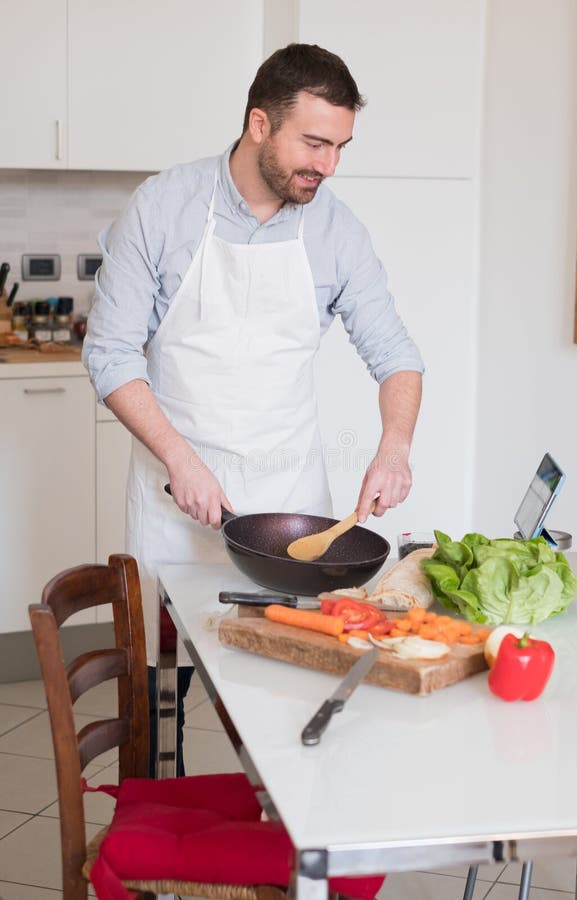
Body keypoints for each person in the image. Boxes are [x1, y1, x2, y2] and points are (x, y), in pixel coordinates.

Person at [83, 43, 424, 775]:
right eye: (315, 142)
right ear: (259, 124)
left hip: (288, 512)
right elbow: (109, 355)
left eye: (340, 147)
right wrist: (180, 459)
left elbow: (396, 355)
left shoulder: (335, 230)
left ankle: (282, 847)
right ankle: (154, 840)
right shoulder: (163, 207)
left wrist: (394, 445)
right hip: (178, 498)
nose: (328, 165)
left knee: (287, 704)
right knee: (157, 701)